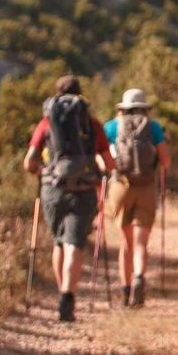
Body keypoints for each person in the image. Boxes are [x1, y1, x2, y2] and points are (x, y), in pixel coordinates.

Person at [23, 75, 113, 322]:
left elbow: (29, 162)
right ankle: (67, 296)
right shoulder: (92, 124)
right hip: (84, 190)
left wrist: (43, 171)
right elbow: (109, 163)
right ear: (80, 94)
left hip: (52, 190)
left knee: (59, 241)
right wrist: (99, 173)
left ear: (57, 94)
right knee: (75, 242)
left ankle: (62, 291)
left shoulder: (46, 123)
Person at [102, 89, 172, 307]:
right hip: (146, 187)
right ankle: (139, 277)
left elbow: (101, 160)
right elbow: (166, 161)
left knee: (127, 242)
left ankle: (126, 291)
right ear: (145, 108)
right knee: (141, 242)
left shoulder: (111, 127)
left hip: (120, 186)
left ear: (123, 108)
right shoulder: (154, 127)